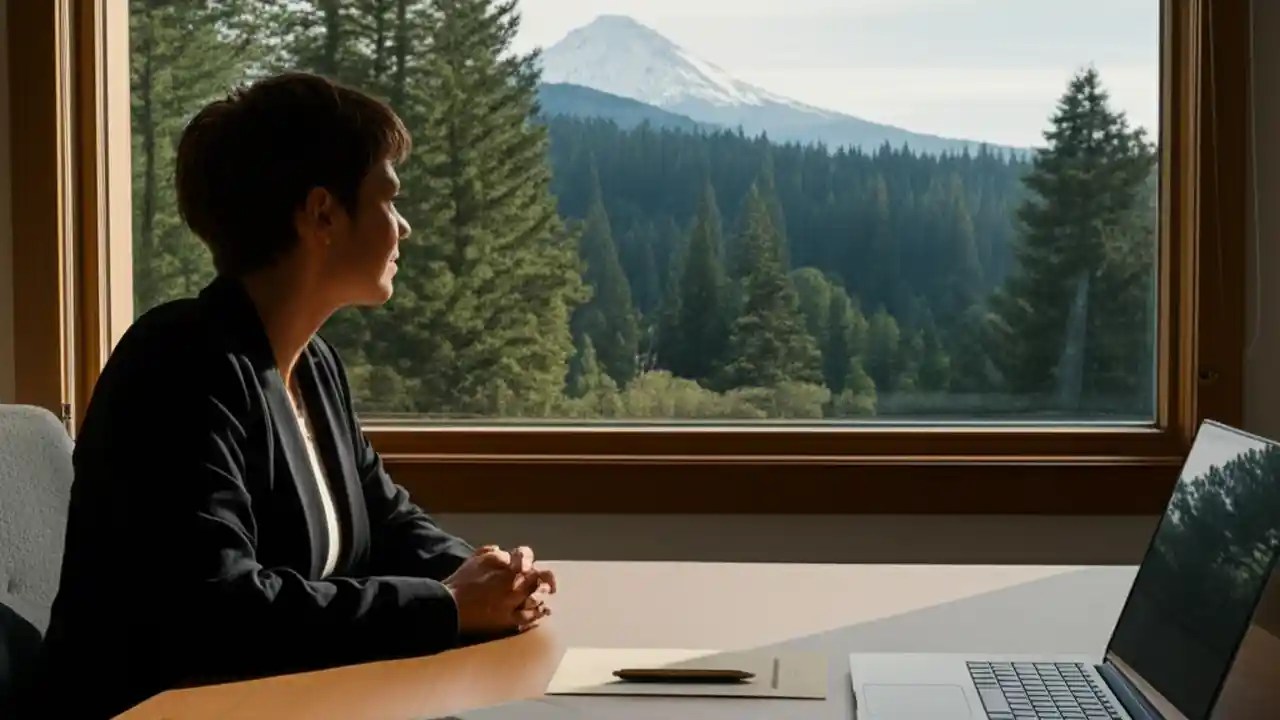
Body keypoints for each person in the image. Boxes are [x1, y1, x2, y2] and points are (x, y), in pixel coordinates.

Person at [34, 72, 555, 719]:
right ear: (322, 215)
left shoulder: (314, 366)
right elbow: (216, 607)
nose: (405, 226)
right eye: (389, 200)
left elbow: (385, 519)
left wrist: (490, 574)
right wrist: (447, 606)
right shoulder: (179, 363)